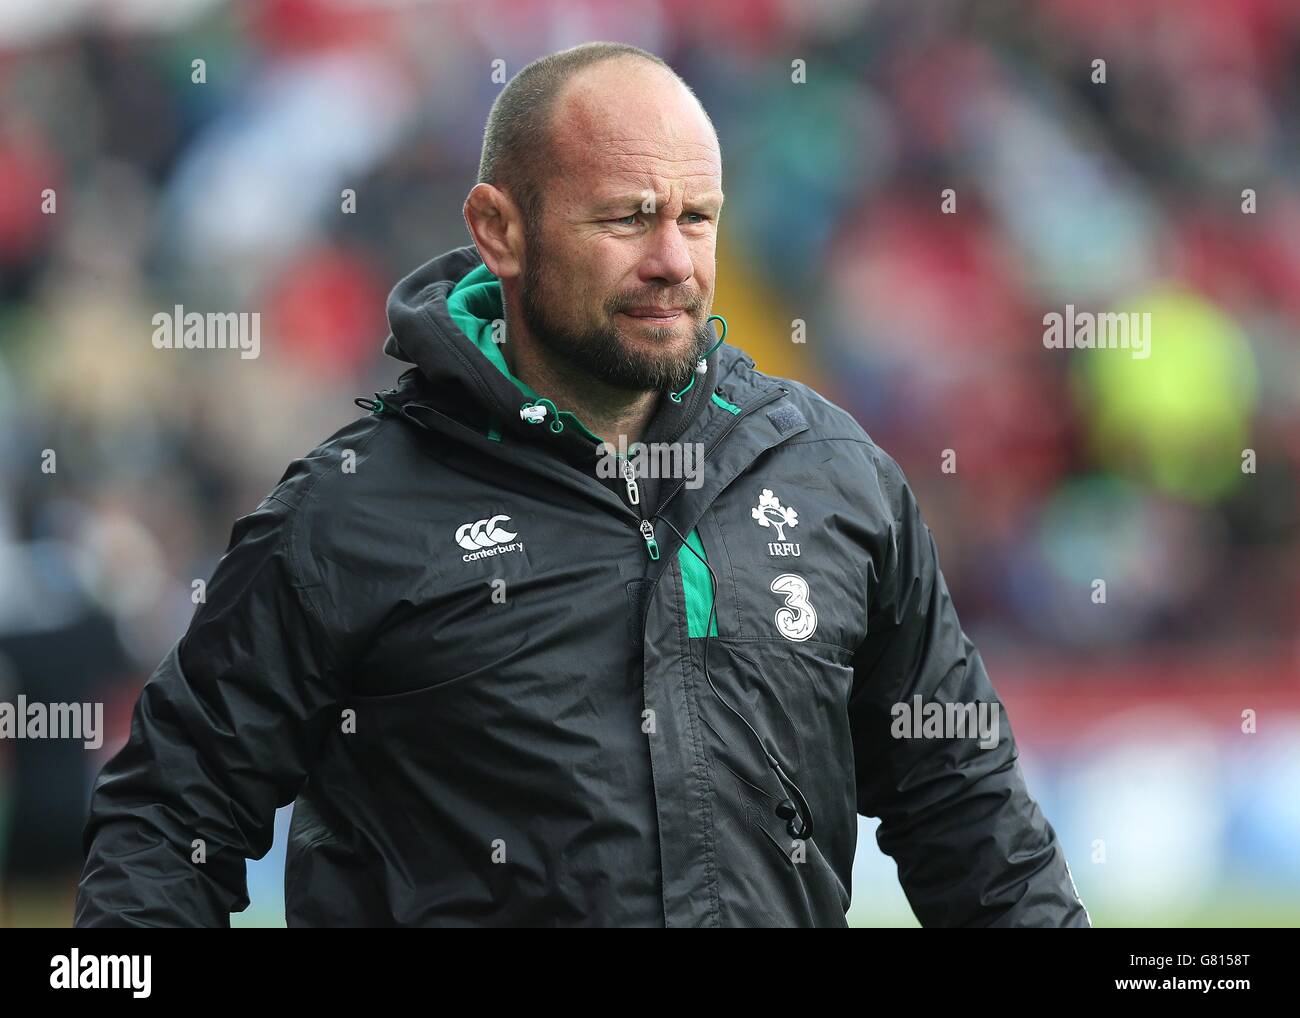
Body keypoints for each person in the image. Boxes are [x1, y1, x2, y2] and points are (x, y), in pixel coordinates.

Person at [75, 41, 1089, 927]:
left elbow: (966, 810)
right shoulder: (347, 513)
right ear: (499, 229)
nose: (673, 261)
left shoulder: (834, 477)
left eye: (697, 219)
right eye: (628, 219)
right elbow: (171, 816)